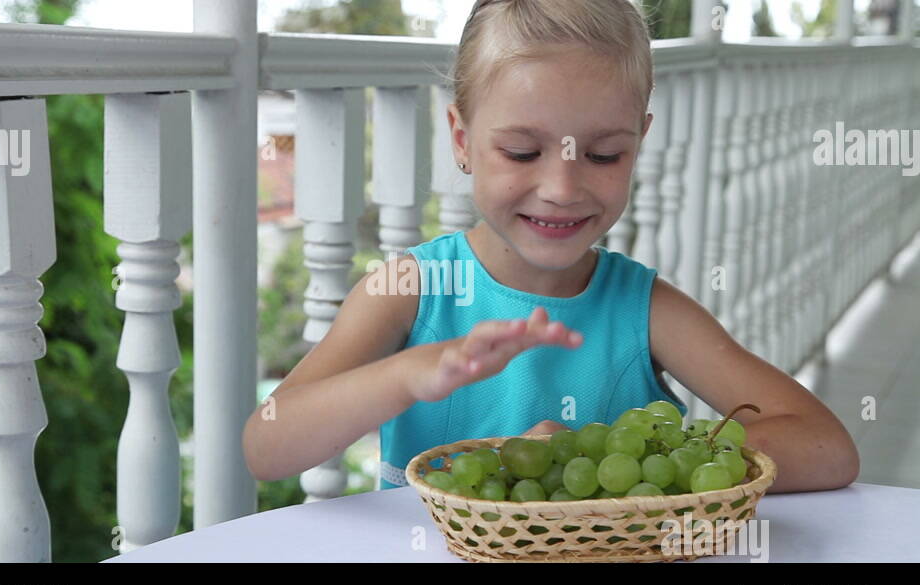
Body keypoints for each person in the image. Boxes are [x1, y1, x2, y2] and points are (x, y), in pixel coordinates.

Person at [244, 0, 859, 494]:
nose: (562, 188)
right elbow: (267, 446)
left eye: (603, 154)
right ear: (461, 137)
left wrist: (632, 460)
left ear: (640, 141)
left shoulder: (647, 309)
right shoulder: (408, 291)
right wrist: (405, 374)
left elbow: (827, 448)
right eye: (521, 152)